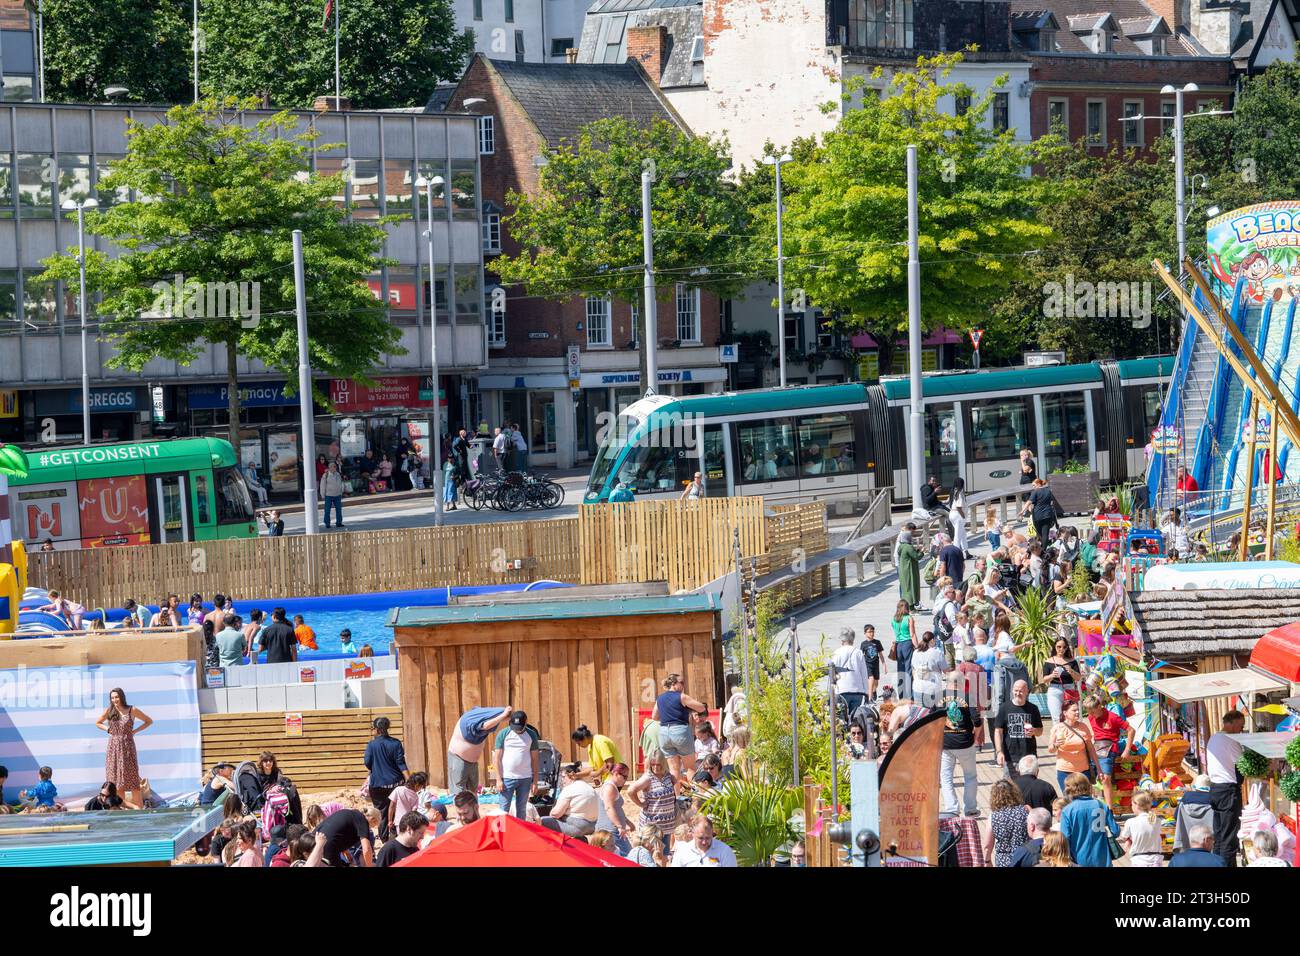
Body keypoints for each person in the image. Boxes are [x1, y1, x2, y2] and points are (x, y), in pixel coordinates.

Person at [1205, 709, 1246, 867]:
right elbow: (1242, 763)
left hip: (1215, 789)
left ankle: (1217, 864)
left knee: (1220, 834)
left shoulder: (1213, 738)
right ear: (1233, 722)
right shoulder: (1230, 739)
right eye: (1241, 726)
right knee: (1229, 836)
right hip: (1228, 790)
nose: (1241, 729)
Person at [95, 687, 152, 798]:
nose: (115, 700)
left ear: (121, 697)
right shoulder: (109, 710)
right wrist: (107, 729)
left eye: (117, 697)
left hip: (127, 745)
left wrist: (135, 731)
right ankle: (120, 806)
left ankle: (137, 806)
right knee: (115, 779)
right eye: (112, 698)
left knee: (131, 777)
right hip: (113, 746)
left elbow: (148, 721)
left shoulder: (132, 709)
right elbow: (98, 722)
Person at [651, 673, 707, 781]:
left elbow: (654, 717)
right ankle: (695, 795)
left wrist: (668, 717)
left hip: (664, 733)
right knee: (690, 767)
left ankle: (676, 796)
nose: (683, 686)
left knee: (673, 769)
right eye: (681, 683)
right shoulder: (681, 696)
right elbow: (701, 708)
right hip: (680, 731)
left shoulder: (660, 698)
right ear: (673, 684)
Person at [1059, 771, 1120, 867]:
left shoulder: (1067, 811)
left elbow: (1064, 839)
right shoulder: (1101, 805)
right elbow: (1116, 831)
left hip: (1079, 860)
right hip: (1103, 860)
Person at [447, 706, 513, 794]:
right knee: (459, 790)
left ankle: (473, 807)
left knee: (472, 789)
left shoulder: (486, 716)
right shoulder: (475, 720)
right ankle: (461, 808)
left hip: (472, 762)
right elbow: (485, 726)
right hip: (458, 758)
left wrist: (504, 716)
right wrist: (503, 715)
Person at [1085, 694, 1134, 810]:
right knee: (1087, 777)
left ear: (1099, 707)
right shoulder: (1091, 717)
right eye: (1089, 712)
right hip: (1096, 746)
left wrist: (1127, 750)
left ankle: (1109, 811)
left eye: (1092, 711)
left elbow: (1131, 730)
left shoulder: (1113, 717)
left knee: (1105, 778)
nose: (1090, 714)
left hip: (1110, 747)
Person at [363, 715, 407, 842]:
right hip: (395, 783)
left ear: (376, 729)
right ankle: (395, 835)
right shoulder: (396, 743)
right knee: (395, 810)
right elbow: (401, 763)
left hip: (378, 785)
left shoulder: (371, 745)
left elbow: (367, 763)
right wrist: (408, 778)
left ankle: (384, 839)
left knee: (381, 812)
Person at [493, 710, 540, 819]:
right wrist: (498, 779)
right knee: (503, 809)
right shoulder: (503, 734)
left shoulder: (531, 735)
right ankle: (502, 834)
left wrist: (535, 781)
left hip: (525, 778)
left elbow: (535, 759)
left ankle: (520, 833)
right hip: (507, 778)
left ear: (525, 723)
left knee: (521, 809)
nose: (517, 730)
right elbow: (497, 758)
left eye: (519, 728)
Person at [627, 754, 678, 853]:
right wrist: (641, 804)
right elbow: (630, 791)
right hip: (652, 827)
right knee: (653, 854)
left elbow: (676, 782)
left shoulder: (668, 776)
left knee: (665, 855)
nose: (656, 767)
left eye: (659, 764)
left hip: (667, 825)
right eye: (653, 764)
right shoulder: (648, 778)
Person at [994, 680, 1043, 774]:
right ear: (1012, 691)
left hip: (1029, 756)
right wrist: (999, 752)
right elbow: (998, 731)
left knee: (1028, 786)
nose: (1018, 693)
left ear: (1027, 691)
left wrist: (1034, 731)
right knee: (1010, 786)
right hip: (1010, 756)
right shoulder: (1004, 708)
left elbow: (1040, 731)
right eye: (1015, 690)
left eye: (1021, 691)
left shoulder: (1033, 708)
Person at [1048, 699, 1097, 793]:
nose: (1078, 712)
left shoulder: (1083, 727)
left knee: (1084, 798)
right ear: (1065, 713)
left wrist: (1098, 768)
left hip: (1083, 771)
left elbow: (1091, 749)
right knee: (1068, 800)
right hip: (1064, 771)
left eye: (1078, 709)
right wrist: (1055, 745)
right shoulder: (1058, 728)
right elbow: (1050, 749)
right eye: (1074, 710)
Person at [941, 697, 979, 818]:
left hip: (946, 744)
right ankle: (971, 809)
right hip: (965, 743)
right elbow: (977, 721)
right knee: (970, 776)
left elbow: (931, 719)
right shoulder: (968, 696)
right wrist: (975, 738)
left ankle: (952, 809)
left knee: (946, 777)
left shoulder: (938, 696)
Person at [307, 806, 380, 867]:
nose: (372, 827)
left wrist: (347, 853)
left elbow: (340, 832)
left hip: (310, 841)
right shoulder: (363, 821)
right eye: (374, 825)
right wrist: (369, 865)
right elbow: (366, 849)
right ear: (372, 819)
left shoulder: (351, 814)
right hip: (326, 845)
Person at [541, 763, 599, 838]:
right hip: (592, 826)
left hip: (578, 827)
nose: (562, 780)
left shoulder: (569, 789)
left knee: (542, 821)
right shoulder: (589, 788)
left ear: (571, 776)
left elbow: (555, 814)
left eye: (563, 777)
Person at [983, 778, 1029, 867]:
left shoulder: (994, 816)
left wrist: (987, 861)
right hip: (1024, 857)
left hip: (1004, 861)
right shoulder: (1025, 810)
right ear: (1015, 793)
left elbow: (987, 846)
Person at [595, 763, 634, 855]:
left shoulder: (611, 786)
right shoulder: (610, 787)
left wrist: (628, 823)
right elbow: (609, 808)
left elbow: (617, 809)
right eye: (624, 776)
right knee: (626, 857)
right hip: (611, 830)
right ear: (616, 774)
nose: (625, 780)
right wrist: (620, 826)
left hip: (612, 829)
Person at [831, 627, 871, 717]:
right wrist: (866, 691)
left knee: (841, 719)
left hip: (841, 690)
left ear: (842, 639)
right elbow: (864, 673)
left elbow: (832, 673)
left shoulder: (837, 653)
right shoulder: (858, 652)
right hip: (857, 691)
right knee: (855, 719)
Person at [1041, 637, 1081, 725]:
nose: (1061, 649)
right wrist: (1052, 675)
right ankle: (1059, 738)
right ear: (1055, 647)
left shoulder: (1072, 661)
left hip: (1069, 690)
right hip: (1054, 690)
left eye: (1064, 647)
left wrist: (1071, 671)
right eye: (1059, 646)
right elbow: (1044, 680)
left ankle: (1069, 736)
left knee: (1071, 716)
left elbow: (1078, 678)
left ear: (1067, 648)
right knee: (1057, 718)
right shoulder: (1049, 661)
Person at [670, 815, 737, 867]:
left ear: (712, 833)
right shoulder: (682, 851)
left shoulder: (724, 851)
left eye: (708, 838)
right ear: (692, 833)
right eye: (700, 838)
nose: (704, 842)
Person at [1121, 790, 1165, 867]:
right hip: (1156, 859)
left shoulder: (1131, 822)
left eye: (1132, 805)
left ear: (1136, 805)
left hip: (1139, 860)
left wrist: (1129, 840)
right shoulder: (1157, 821)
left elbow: (1124, 837)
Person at [890, 601, 918, 700]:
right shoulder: (909, 618)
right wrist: (917, 646)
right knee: (908, 671)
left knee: (900, 671)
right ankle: (909, 695)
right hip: (907, 644)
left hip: (898, 646)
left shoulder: (894, 619)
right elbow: (912, 634)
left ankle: (901, 696)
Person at [1020, 478, 1060, 543]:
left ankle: (1042, 548)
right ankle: (1044, 549)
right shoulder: (1048, 491)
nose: (1033, 487)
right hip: (1047, 515)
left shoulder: (1035, 492)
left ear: (1038, 484)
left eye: (1034, 485)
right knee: (1045, 534)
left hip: (1037, 516)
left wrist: (1022, 511)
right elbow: (1052, 503)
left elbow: (1029, 502)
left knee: (1039, 534)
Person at [896, 526, 922, 611]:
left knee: (906, 587)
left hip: (903, 569)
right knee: (911, 587)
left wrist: (917, 551)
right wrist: (922, 552)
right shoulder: (908, 547)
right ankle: (911, 607)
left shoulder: (901, 546)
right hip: (909, 570)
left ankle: (908, 607)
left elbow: (910, 555)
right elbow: (916, 557)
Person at [859, 624, 884, 700]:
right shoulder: (863, 644)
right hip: (868, 665)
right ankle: (869, 699)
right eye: (869, 632)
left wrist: (884, 665)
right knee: (871, 679)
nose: (871, 633)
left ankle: (874, 691)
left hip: (876, 665)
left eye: (872, 631)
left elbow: (880, 654)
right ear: (865, 633)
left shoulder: (877, 642)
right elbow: (861, 656)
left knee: (876, 683)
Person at [320, 461, 345, 529]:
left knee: (339, 509)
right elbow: (322, 485)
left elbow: (340, 483)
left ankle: (339, 522)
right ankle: (327, 523)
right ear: (329, 468)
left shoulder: (338, 474)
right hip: (328, 495)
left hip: (337, 495)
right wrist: (322, 494)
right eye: (332, 466)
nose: (334, 467)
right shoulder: (325, 475)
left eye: (334, 466)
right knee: (327, 510)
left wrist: (341, 491)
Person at [950, 476, 969, 555]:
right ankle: (956, 553)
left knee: (962, 534)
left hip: (952, 514)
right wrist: (963, 516)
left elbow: (948, 501)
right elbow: (959, 507)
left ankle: (966, 552)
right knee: (957, 536)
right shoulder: (960, 492)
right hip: (958, 515)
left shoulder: (953, 491)